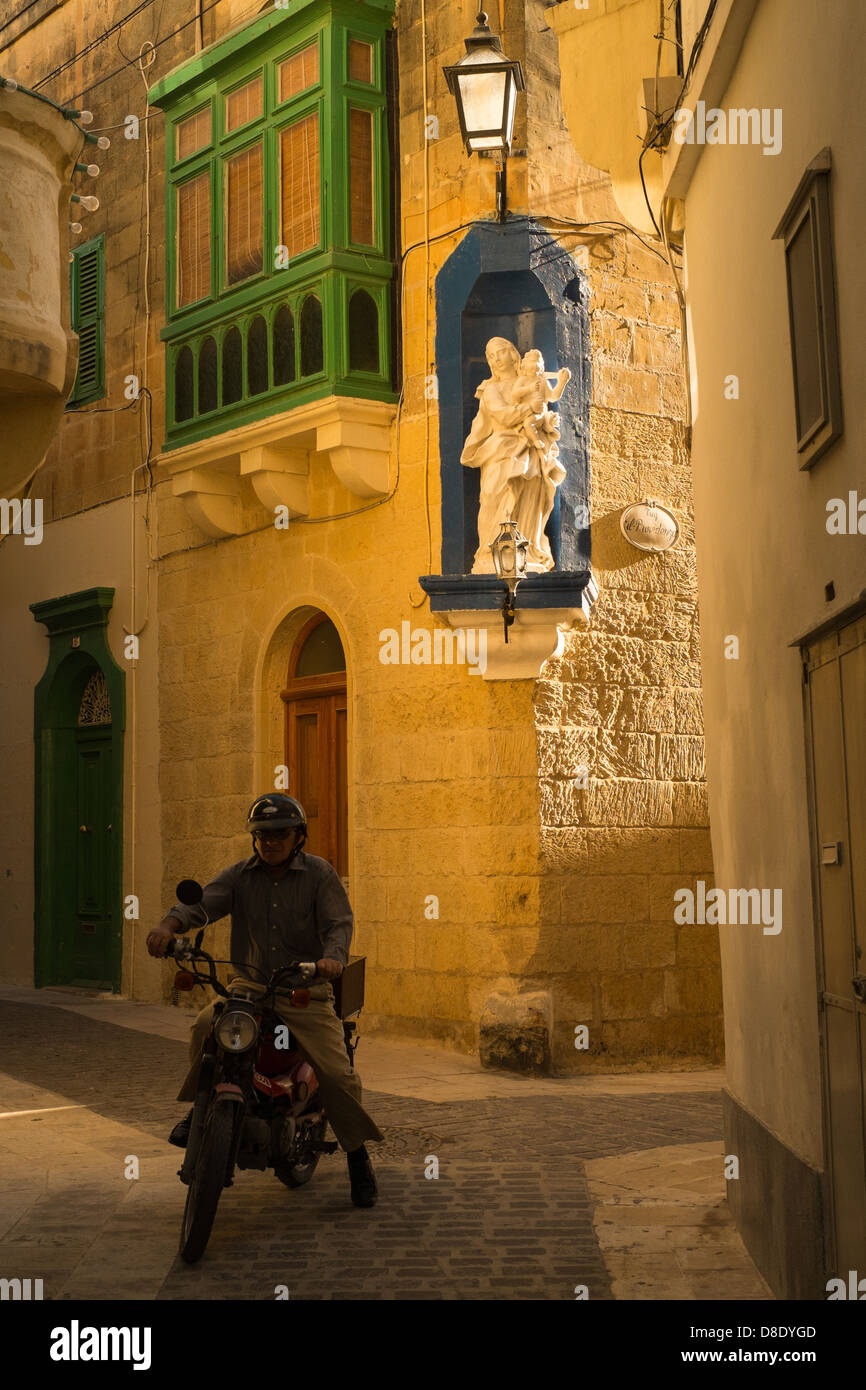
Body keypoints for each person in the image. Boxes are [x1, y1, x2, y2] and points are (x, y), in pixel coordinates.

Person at [146, 793, 382, 1209]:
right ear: (255, 839)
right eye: (263, 835)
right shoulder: (240, 876)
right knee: (204, 1027)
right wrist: (168, 926)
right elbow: (201, 904)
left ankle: (356, 1155)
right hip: (250, 988)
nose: (271, 842)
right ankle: (200, 1109)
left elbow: (338, 924)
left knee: (337, 1073)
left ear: (298, 837)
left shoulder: (319, 875)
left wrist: (332, 959)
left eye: (280, 834)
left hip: (302, 990)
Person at [460, 337, 569, 574]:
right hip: (501, 449)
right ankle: (491, 551)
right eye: (490, 356)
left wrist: (549, 420)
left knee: (530, 499)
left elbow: (545, 409)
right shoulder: (491, 389)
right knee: (492, 495)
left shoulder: (532, 380)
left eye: (499, 352)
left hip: (531, 451)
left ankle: (528, 550)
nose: (495, 359)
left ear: (512, 354)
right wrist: (531, 410)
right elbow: (504, 416)